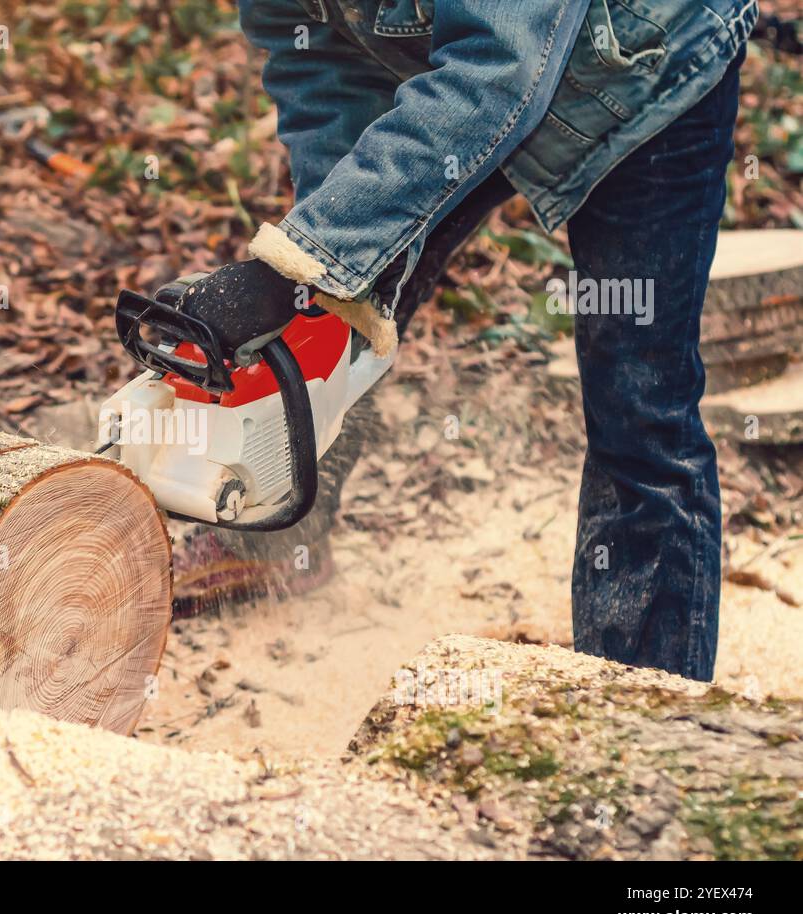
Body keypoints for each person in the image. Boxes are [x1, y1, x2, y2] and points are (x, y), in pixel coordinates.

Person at [166, 0, 758, 682]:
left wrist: (308, 258)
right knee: (337, 292)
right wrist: (318, 265)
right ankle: (280, 528)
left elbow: (500, 72)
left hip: (642, 64)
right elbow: (314, 62)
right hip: (468, 71)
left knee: (640, 399)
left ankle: (641, 706)